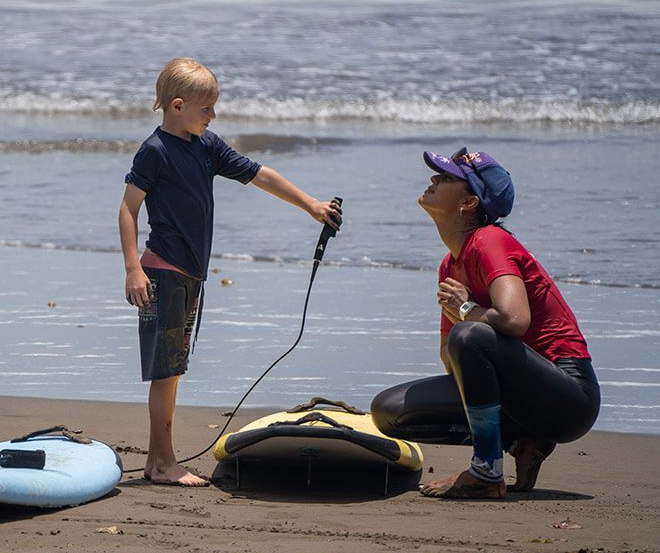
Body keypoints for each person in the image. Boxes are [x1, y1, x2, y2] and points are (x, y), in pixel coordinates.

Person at [118, 57, 342, 486]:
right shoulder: (155, 151)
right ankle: (164, 464)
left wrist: (311, 205)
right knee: (165, 373)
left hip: (190, 274)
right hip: (161, 272)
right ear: (178, 105)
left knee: (173, 370)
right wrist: (133, 269)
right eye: (208, 108)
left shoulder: (206, 146)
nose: (214, 115)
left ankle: (155, 461)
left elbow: (260, 175)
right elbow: (128, 208)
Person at [370, 148, 600, 498]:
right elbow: (454, 364)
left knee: (470, 334)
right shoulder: (450, 264)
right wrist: (461, 317)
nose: (433, 179)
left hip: (569, 397)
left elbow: (514, 320)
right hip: (519, 400)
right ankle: (522, 439)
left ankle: (487, 470)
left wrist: (464, 311)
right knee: (389, 412)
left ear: (468, 203)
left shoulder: (490, 241)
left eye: (446, 177)